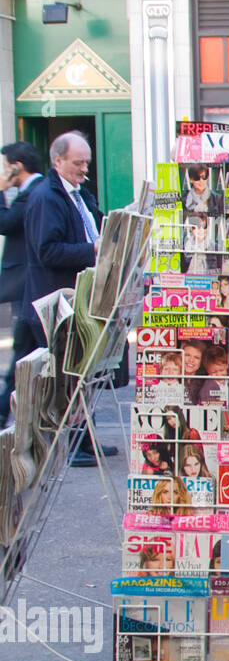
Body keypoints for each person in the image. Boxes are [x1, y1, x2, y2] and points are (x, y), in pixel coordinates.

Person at [23, 131, 118, 465]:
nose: (84, 168)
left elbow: (98, 224)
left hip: (80, 299)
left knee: (80, 373)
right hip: (55, 301)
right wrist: (91, 250)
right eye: (78, 163)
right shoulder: (45, 198)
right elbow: (47, 251)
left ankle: (84, 439)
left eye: (87, 162)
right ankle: (72, 444)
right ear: (57, 160)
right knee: (64, 376)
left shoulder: (79, 193)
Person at [0, 141, 44, 421]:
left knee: (25, 353)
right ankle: (5, 408)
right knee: (23, 352)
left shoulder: (32, 194)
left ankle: (4, 409)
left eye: (5, 166)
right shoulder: (30, 192)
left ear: (17, 167)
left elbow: (5, 223)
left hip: (30, 285)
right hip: (28, 285)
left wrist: (1, 189)